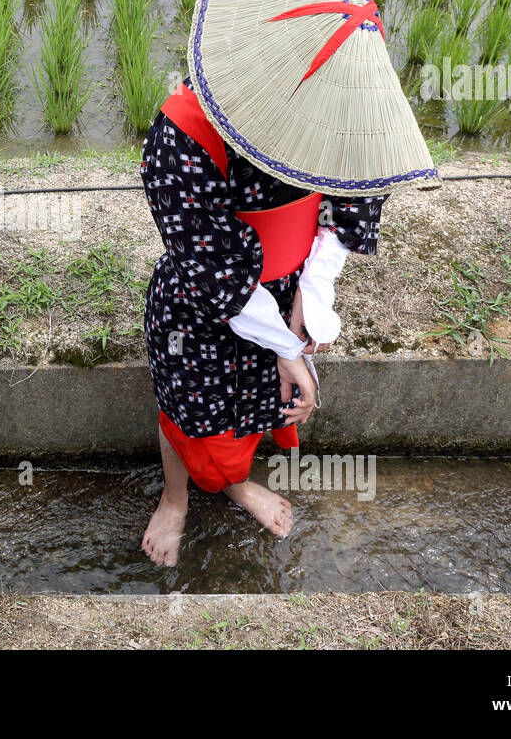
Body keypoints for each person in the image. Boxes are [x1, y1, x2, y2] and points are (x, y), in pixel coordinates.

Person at [139, 77, 387, 564]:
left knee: (259, 405)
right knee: (187, 411)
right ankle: (175, 496)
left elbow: (351, 204)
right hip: (203, 294)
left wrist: (307, 304)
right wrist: (285, 348)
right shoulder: (185, 130)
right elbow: (210, 260)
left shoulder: (352, 106)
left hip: (287, 287)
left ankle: (235, 484)